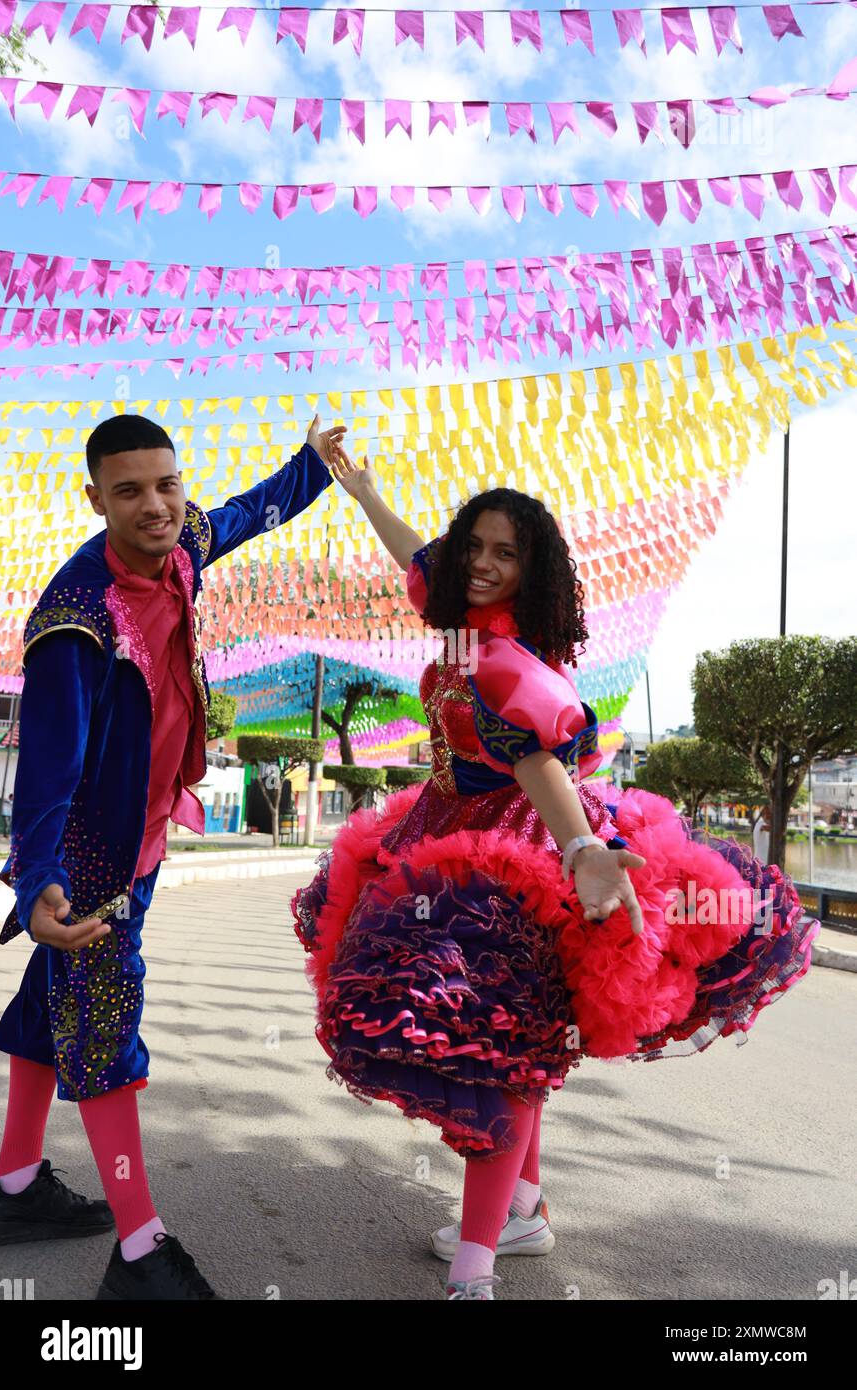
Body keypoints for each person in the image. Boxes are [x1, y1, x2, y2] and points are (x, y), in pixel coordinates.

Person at [291, 450, 820, 1301]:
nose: (483, 564)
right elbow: (418, 564)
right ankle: (525, 1210)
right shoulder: (461, 626)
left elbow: (537, 762)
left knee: (498, 1049)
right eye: (477, 547)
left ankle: (475, 1273)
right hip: (439, 833)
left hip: (509, 853)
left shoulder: (504, 662)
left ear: (531, 575)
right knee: (510, 1037)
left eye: (507, 554)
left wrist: (580, 854)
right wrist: (365, 494)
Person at [0, 410, 345, 1299]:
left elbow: (244, 512)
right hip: (91, 863)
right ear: (95, 498)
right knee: (105, 1028)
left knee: (49, 1006)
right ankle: (142, 1250)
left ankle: (13, 1184)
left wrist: (313, 466)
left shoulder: (180, 538)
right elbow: (46, 767)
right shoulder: (74, 620)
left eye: (166, 483)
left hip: (143, 832)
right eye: (129, 491)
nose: (156, 506)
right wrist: (39, 881)